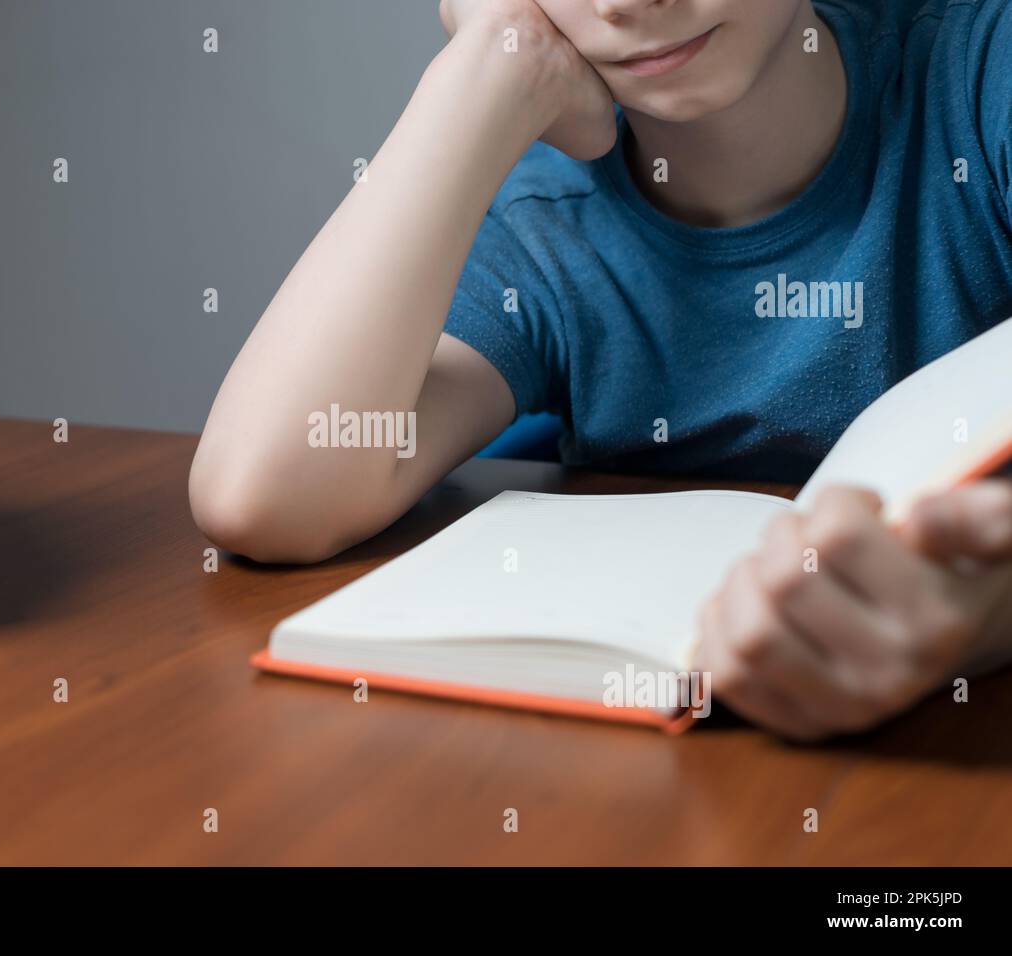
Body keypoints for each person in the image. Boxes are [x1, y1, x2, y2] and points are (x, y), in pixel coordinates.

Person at [189, 0, 1012, 739]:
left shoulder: (980, 76)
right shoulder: (551, 226)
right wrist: (493, 66)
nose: (626, 2)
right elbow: (260, 494)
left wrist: (977, 623)